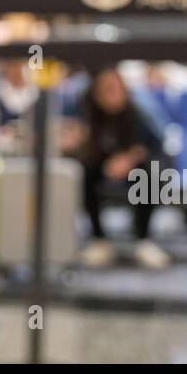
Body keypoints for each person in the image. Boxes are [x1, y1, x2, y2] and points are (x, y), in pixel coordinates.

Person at [65, 66, 171, 269]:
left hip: (136, 161)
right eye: (105, 90)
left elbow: (156, 144)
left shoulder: (139, 109)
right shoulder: (86, 109)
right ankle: (99, 240)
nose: (111, 94)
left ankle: (143, 240)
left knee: (150, 173)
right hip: (100, 161)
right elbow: (78, 140)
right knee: (83, 173)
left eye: (115, 88)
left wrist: (128, 159)